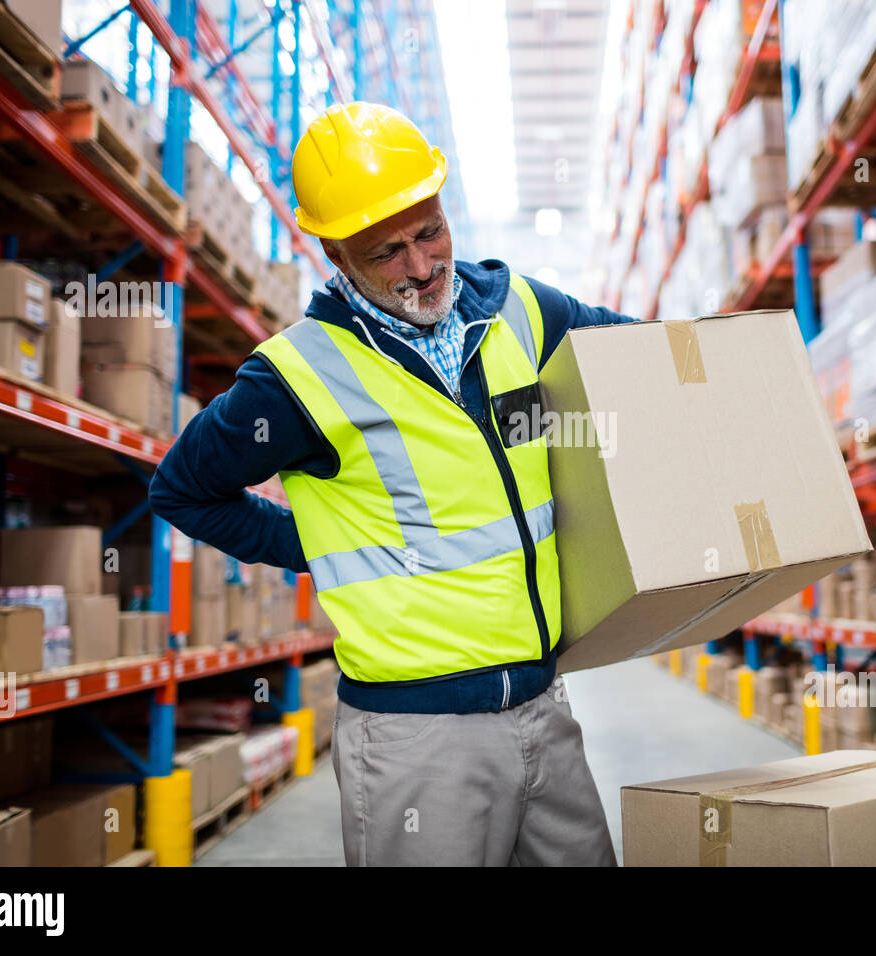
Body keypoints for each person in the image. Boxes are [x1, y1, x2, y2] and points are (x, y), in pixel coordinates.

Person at [149, 101, 640, 866]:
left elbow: (635, 354)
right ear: (335, 252)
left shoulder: (518, 309)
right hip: (418, 736)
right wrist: (321, 545)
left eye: (430, 231)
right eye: (387, 252)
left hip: (545, 708)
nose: (421, 266)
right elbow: (182, 489)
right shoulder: (296, 378)